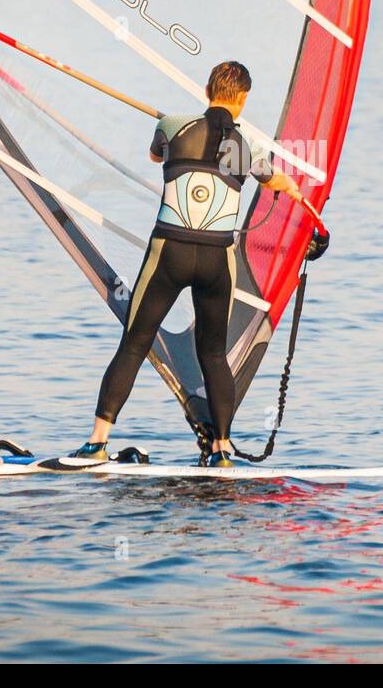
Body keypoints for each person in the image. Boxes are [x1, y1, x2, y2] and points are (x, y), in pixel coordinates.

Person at [63, 61, 304, 468]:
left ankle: (96, 443)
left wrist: (169, 138)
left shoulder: (174, 125)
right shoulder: (245, 148)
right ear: (242, 99)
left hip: (170, 254)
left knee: (135, 343)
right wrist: (291, 186)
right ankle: (222, 450)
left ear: (207, 88)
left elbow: (156, 155)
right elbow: (271, 180)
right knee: (213, 354)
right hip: (215, 260)